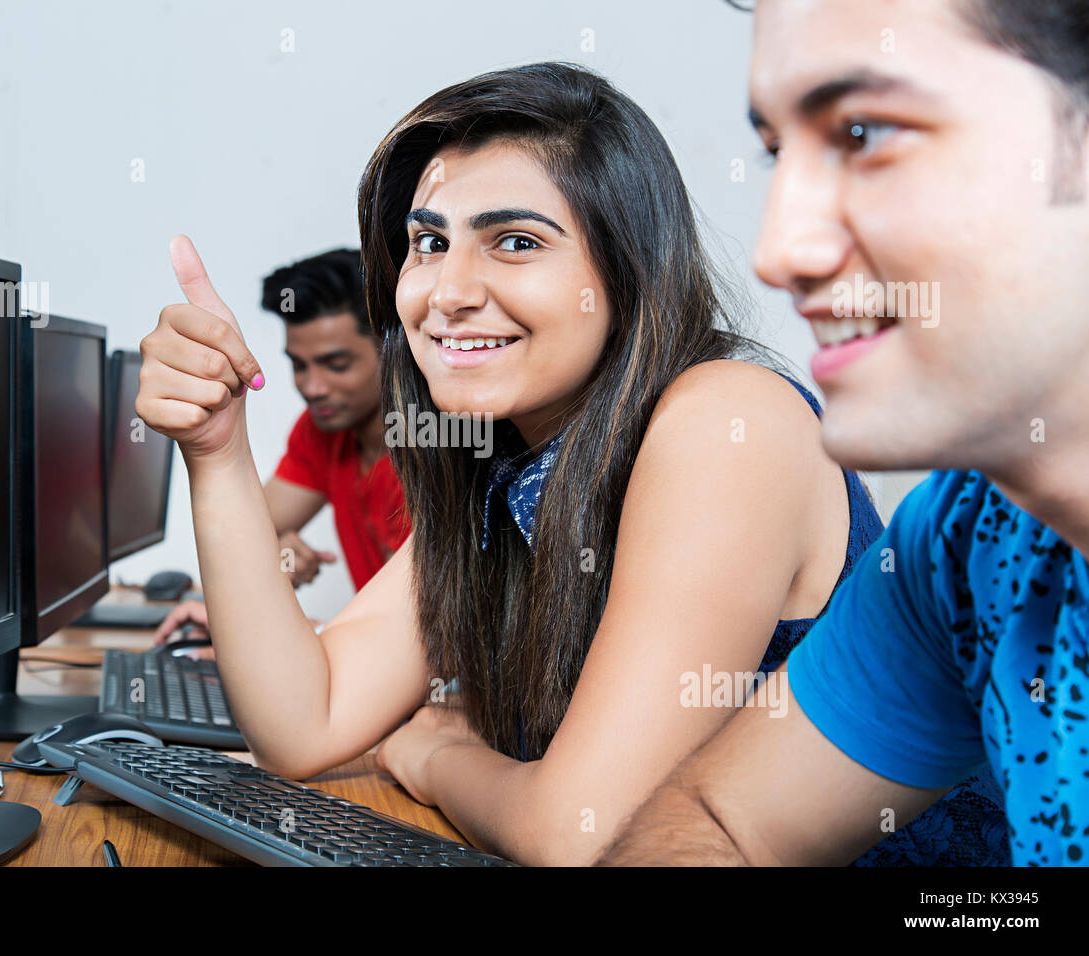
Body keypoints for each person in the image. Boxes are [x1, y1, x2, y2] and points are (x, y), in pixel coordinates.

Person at [135, 62, 1002, 865]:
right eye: (428, 243)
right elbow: (305, 720)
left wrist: (432, 746)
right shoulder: (502, 459)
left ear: (626, 273)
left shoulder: (727, 418)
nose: (448, 292)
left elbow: (581, 833)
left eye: (515, 242)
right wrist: (217, 455)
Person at [601, 0, 1088, 866]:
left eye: (865, 134)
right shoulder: (970, 535)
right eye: (778, 153)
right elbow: (719, 817)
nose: (779, 250)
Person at [154, 248, 410, 643]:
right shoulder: (322, 431)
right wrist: (273, 551)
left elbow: (411, 637)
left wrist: (275, 632)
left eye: (336, 365)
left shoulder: (431, 453)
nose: (312, 387)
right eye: (299, 364)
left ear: (393, 350)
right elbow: (248, 534)